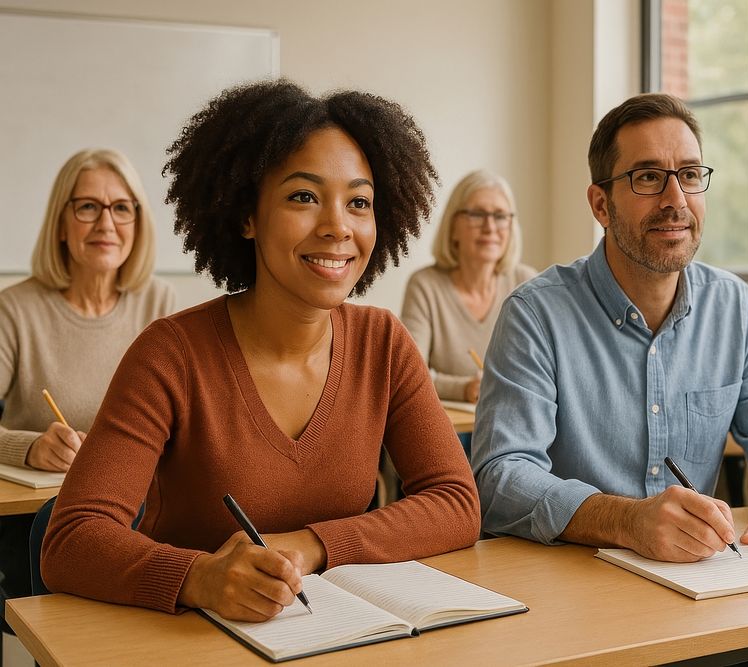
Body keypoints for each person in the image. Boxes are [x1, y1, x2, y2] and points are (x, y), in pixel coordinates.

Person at [41, 80, 480, 622]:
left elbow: (456, 504)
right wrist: (200, 578)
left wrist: (310, 545)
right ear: (246, 216)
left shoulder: (383, 343)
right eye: (303, 196)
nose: (337, 226)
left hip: (331, 635)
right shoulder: (171, 354)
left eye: (359, 202)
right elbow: (71, 541)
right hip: (188, 644)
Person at [473, 93, 748, 666]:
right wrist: (625, 520)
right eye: (648, 177)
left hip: (707, 598)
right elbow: (500, 476)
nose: (676, 200)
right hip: (575, 604)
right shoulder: (536, 313)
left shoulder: (733, 307)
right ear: (600, 204)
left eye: (690, 176)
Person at [0, 148, 175, 627]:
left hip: (138, 510)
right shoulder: (14, 310)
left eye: (122, 208)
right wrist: (29, 447)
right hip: (36, 520)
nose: (106, 223)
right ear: (61, 222)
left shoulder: (160, 303)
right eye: (87, 207)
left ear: (138, 223)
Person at [401, 170, 535, 405]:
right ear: (453, 227)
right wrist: (465, 389)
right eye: (476, 214)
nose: (490, 227)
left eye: (500, 216)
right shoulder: (425, 285)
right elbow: (410, 376)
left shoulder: (526, 282)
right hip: (454, 430)